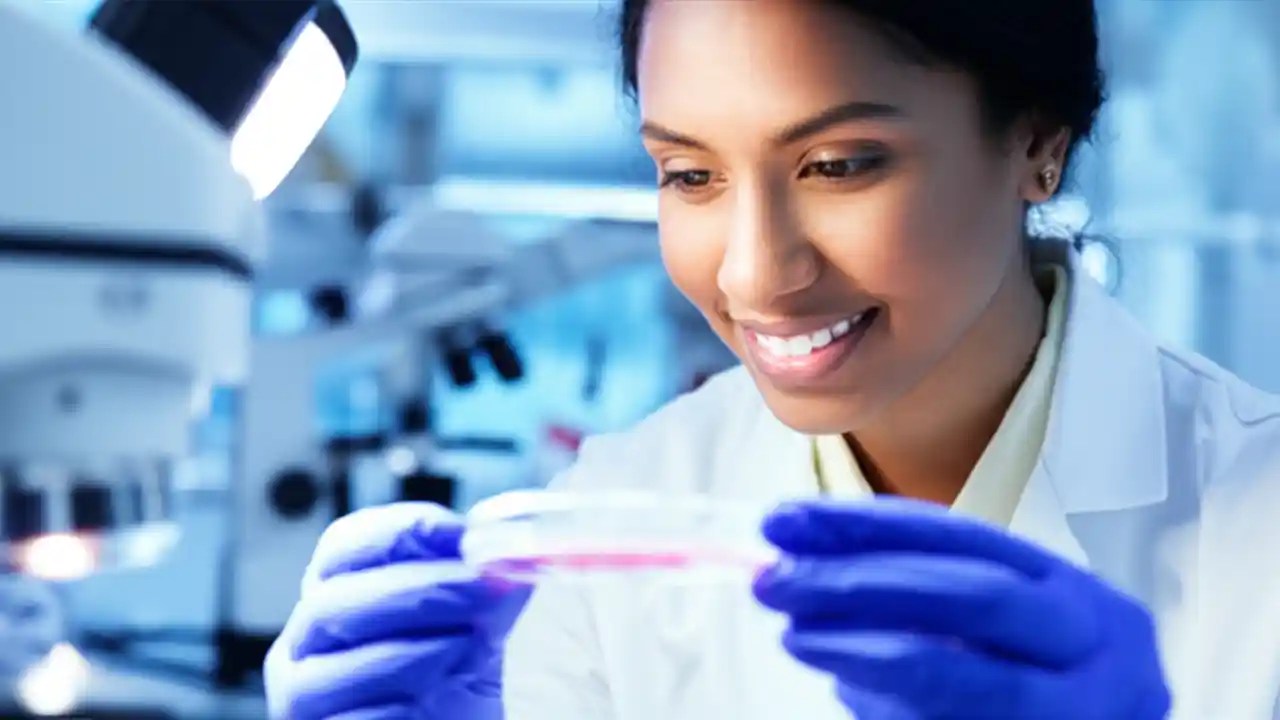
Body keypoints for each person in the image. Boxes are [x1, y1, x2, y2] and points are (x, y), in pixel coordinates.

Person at [263, 1, 1280, 718]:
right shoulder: (623, 504)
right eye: (688, 174)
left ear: (1035, 146)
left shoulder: (1258, 518)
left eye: (836, 165)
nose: (755, 274)